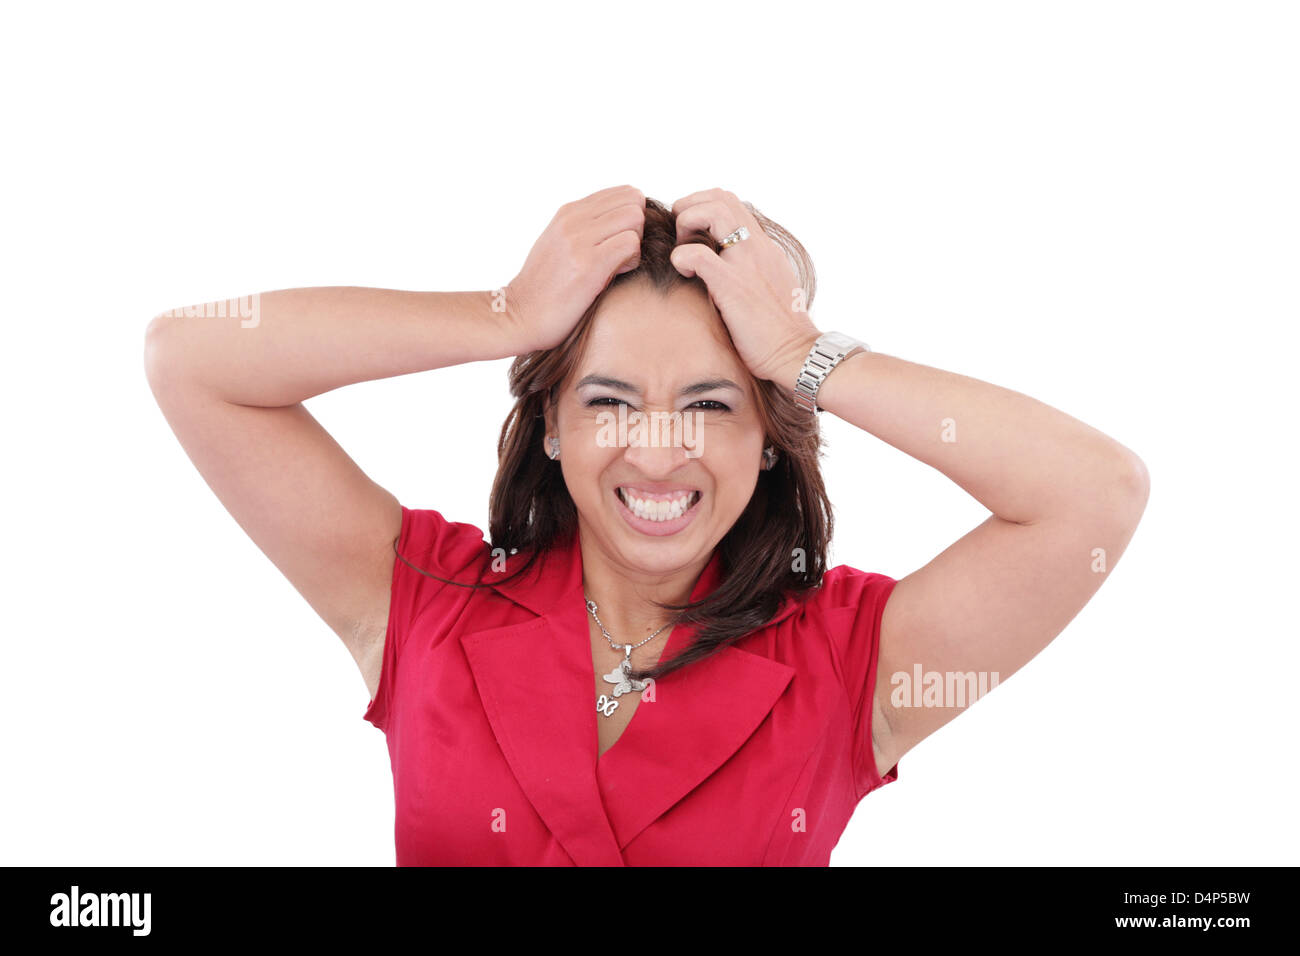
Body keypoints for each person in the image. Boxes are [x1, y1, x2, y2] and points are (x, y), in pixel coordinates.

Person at [143, 185, 1150, 865]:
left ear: (768, 433)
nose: (659, 452)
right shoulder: (424, 601)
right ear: (549, 421)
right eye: (610, 400)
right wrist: (501, 314)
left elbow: (1093, 493)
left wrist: (804, 348)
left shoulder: (848, 660)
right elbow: (192, 358)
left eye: (711, 403)